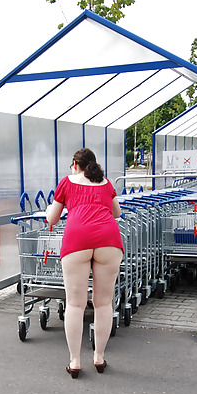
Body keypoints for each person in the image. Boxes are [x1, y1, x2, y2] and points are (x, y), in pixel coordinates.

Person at [45, 148, 123, 379]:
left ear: (76, 164)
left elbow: (53, 218)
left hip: (77, 239)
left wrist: (50, 208)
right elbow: (116, 212)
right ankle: (98, 357)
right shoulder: (106, 183)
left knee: (76, 305)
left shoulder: (67, 183)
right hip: (108, 240)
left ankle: (75, 361)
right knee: (103, 303)